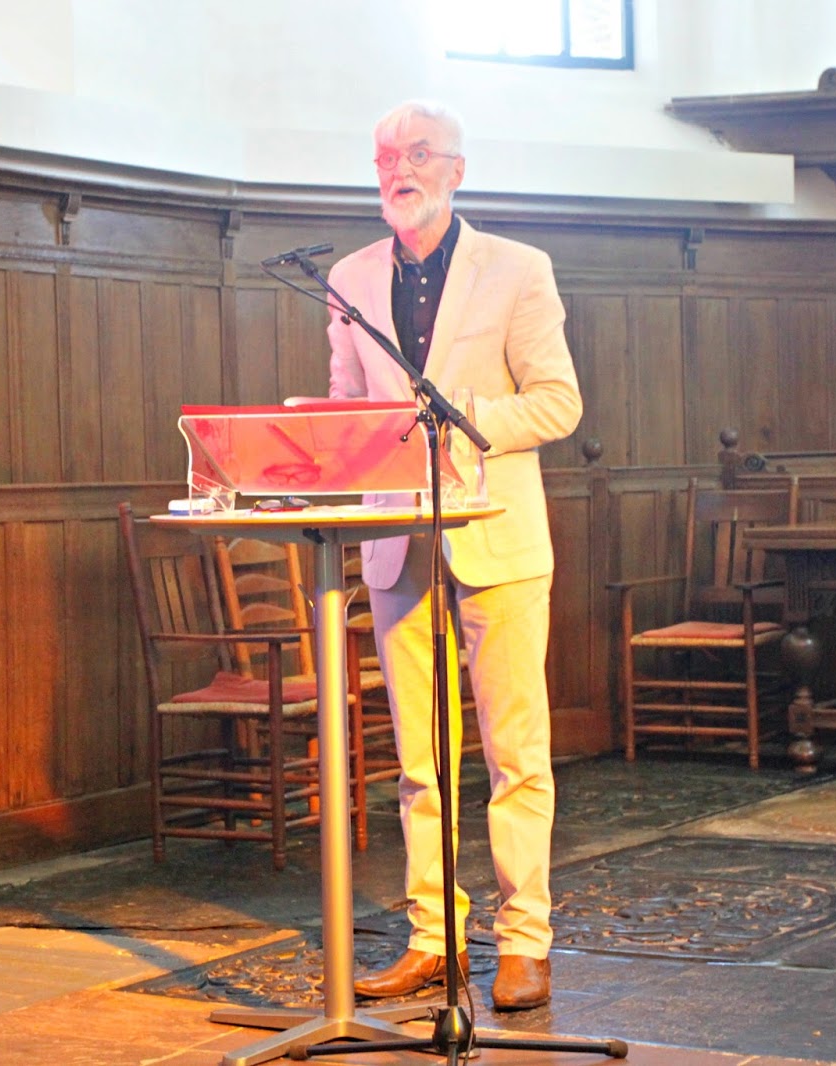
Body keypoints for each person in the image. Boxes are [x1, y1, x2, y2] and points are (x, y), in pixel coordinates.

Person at [327, 100, 583, 1012]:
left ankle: (525, 940)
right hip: (400, 545)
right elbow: (348, 408)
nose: (400, 167)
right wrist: (333, 443)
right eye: (386, 154)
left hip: (497, 539)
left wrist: (462, 426)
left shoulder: (518, 269)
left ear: (457, 169)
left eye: (419, 153)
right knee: (416, 763)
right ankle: (434, 937)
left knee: (517, 753)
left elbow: (557, 404)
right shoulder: (350, 276)